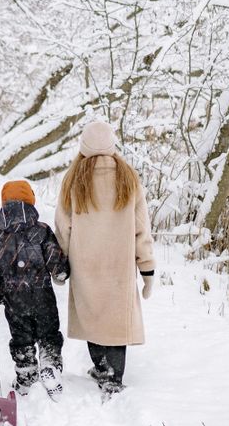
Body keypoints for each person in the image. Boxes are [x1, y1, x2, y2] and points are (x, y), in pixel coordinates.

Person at [54, 121, 155, 398]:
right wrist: (147, 268)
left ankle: (100, 368)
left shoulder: (74, 178)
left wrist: (60, 265)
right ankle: (114, 376)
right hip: (119, 265)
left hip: (85, 263)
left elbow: (64, 226)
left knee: (93, 317)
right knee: (114, 321)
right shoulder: (128, 177)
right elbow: (141, 227)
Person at [0, 180, 69, 397]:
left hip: (15, 300)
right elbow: (54, 258)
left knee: (21, 337)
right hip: (42, 295)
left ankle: (26, 375)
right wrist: (61, 271)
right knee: (48, 333)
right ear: (31, 201)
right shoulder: (41, 231)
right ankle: (50, 364)